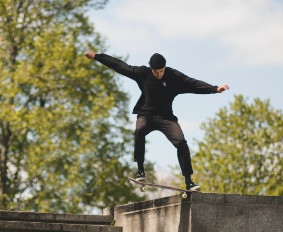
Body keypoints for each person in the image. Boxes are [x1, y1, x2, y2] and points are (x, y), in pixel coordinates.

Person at [84, 51, 229, 191]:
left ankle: (189, 181)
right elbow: (120, 66)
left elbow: (192, 83)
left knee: (181, 142)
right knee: (140, 129)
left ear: (165, 68)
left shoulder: (174, 76)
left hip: (166, 118)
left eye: (161, 71)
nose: (159, 74)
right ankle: (140, 170)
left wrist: (215, 89)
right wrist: (97, 57)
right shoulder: (143, 73)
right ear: (151, 68)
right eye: (156, 72)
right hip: (146, 115)